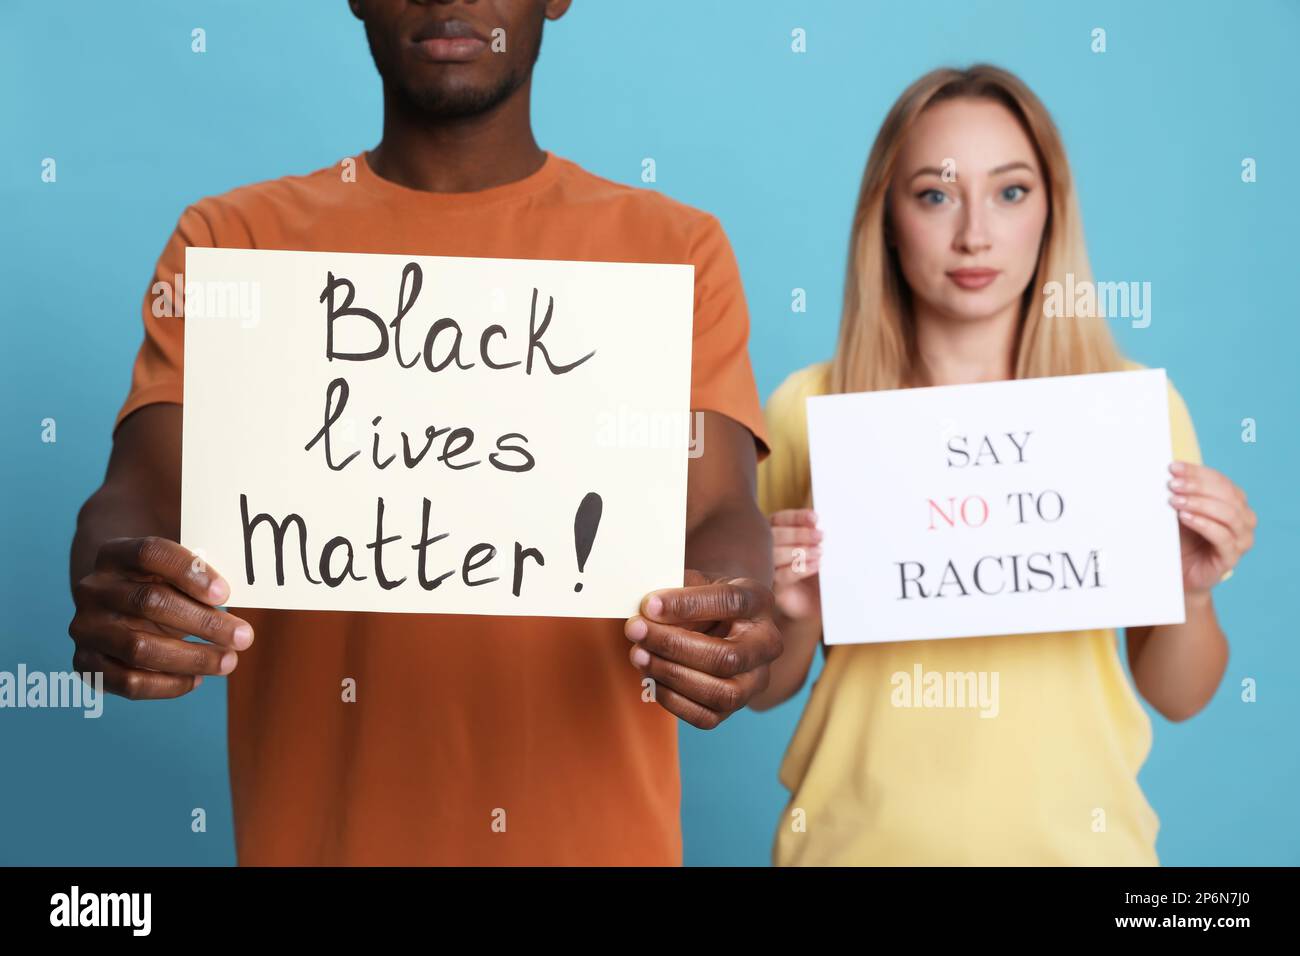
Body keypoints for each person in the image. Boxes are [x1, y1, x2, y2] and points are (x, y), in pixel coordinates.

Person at [67, 0, 781, 866]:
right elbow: (140, 487)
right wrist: (117, 580)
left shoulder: (676, 252)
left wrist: (731, 606)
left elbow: (720, 510)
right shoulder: (232, 245)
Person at [751, 65, 1256, 866]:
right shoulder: (807, 410)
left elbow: (1179, 695)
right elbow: (765, 687)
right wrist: (796, 605)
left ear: (1052, 210)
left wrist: (1190, 590)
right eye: (936, 194)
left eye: (1011, 192)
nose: (975, 235)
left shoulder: (1131, 411)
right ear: (885, 216)